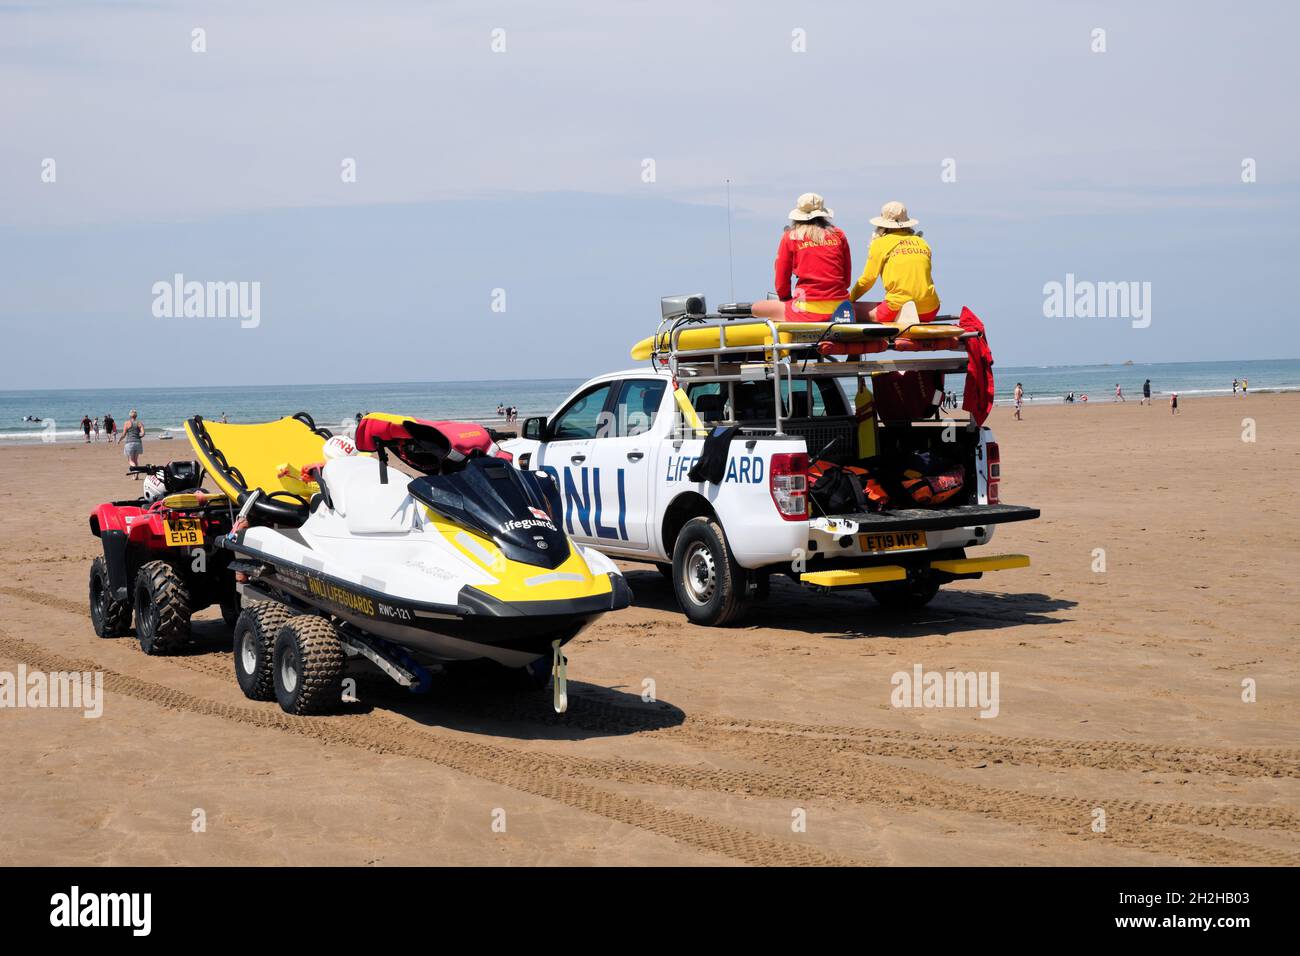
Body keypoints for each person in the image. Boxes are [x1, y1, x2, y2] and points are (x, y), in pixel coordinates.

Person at [752, 192, 851, 322]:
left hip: (808, 311)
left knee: (757, 308)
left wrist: (786, 298)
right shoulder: (839, 234)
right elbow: (846, 280)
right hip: (842, 309)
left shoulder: (791, 236)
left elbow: (781, 280)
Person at [849, 201, 940, 323]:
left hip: (896, 309)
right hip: (930, 310)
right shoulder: (922, 242)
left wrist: (850, 300)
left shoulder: (879, 243)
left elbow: (867, 280)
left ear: (882, 225)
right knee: (886, 302)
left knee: (851, 309)